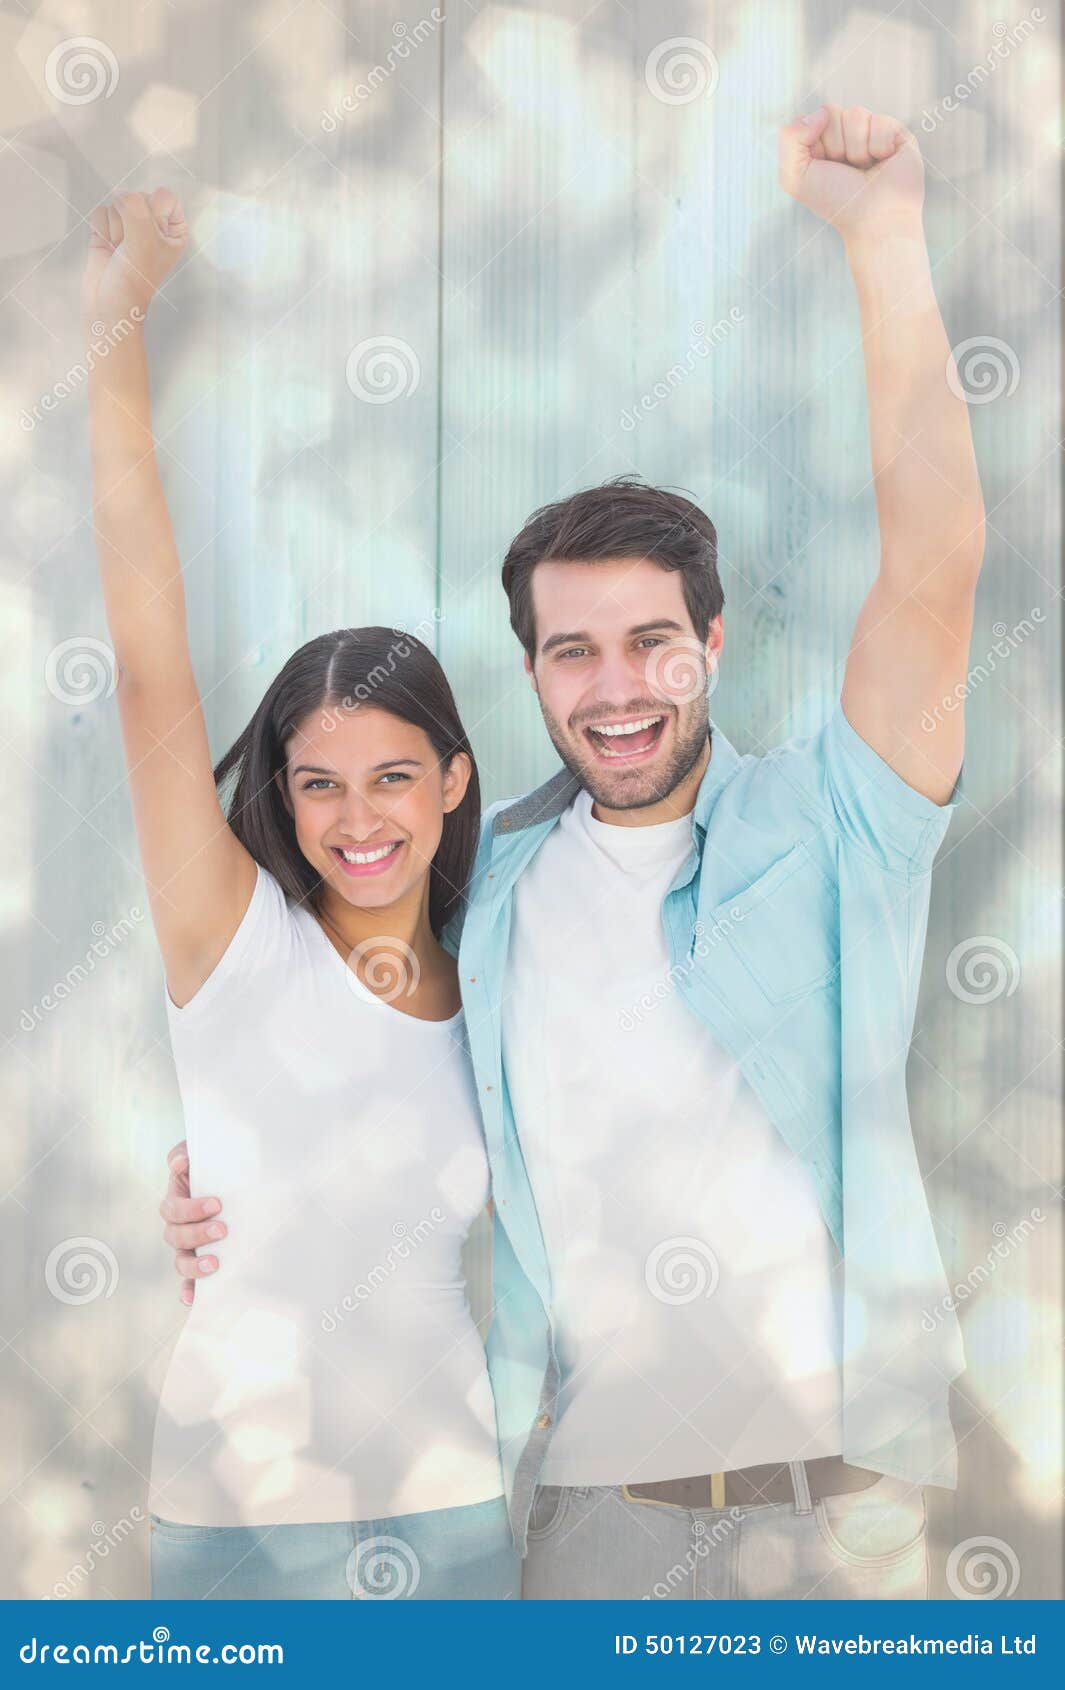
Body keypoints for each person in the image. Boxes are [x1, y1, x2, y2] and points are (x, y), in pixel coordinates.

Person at [161, 102, 983, 1600]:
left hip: (841, 1520)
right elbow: (353, 1067)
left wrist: (883, 241)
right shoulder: (484, 895)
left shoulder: (840, 822)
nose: (617, 687)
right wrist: (227, 1182)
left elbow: (932, 570)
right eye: (573, 651)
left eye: (653, 641)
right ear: (533, 673)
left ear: (713, 645)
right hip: (587, 1522)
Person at [86, 188, 518, 1600]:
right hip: (234, 1521)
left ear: (453, 781)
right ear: (281, 793)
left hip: (450, 1514)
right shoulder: (235, 945)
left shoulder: (504, 970)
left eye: (392, 777)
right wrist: (117, 316)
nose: (356, 818)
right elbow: (148, 667)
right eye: (318, 783)